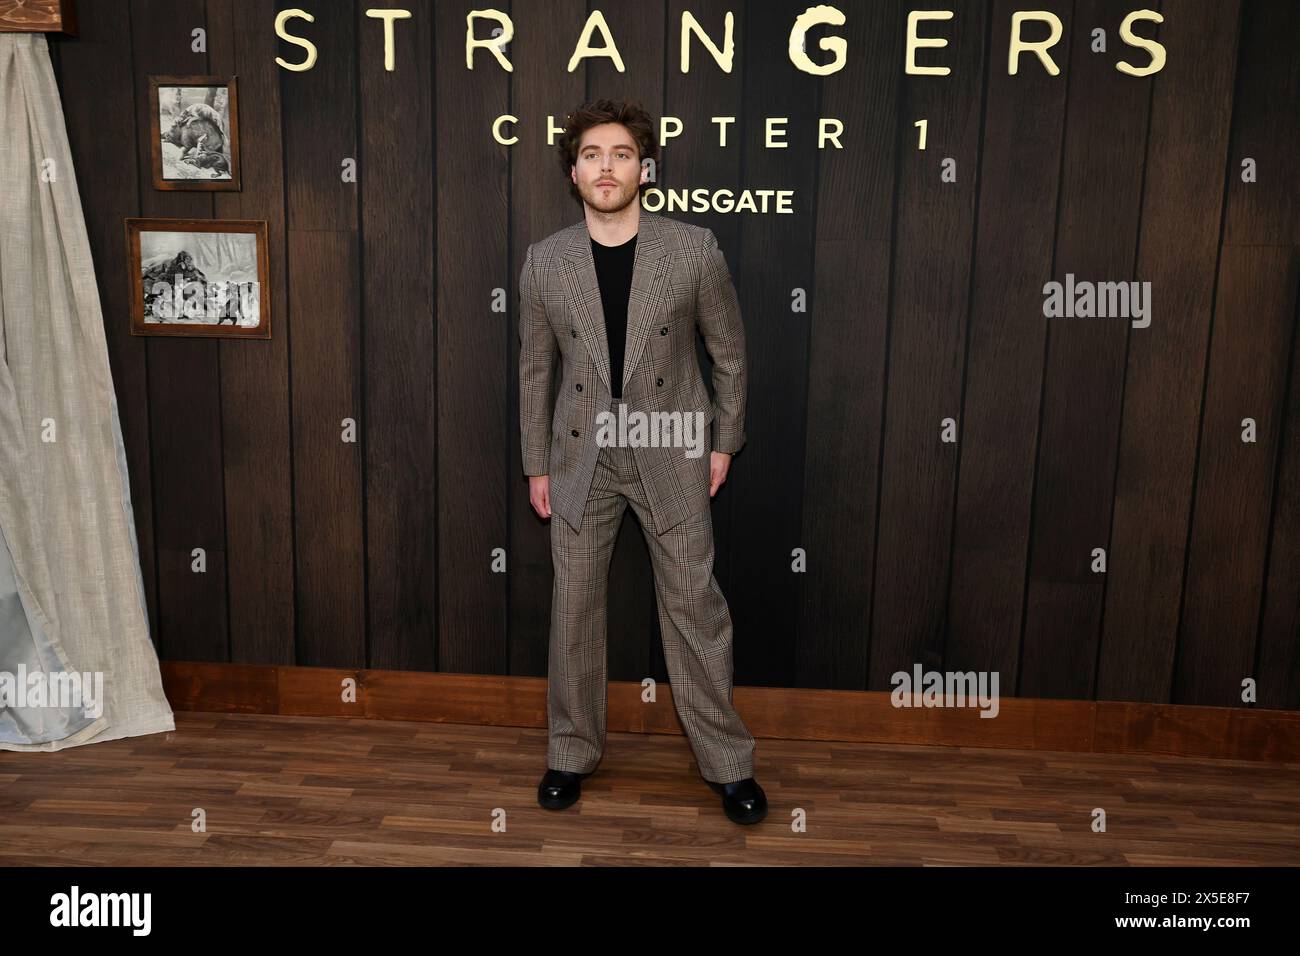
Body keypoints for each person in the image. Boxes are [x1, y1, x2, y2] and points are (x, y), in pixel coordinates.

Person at [518, 98, 766, 825]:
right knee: (574, 612)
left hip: (673, 450)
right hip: (578, 457)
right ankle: (569, 753)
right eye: (592, 154)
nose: (606, 166)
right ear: (574, 171)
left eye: (621, 153)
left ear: (643, 167)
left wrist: (723, 442)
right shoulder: (546, 260)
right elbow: (536, 372)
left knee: (694, 607)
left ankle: (728, 764)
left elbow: (729, 354)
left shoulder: (692, 249)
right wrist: (537, 465)